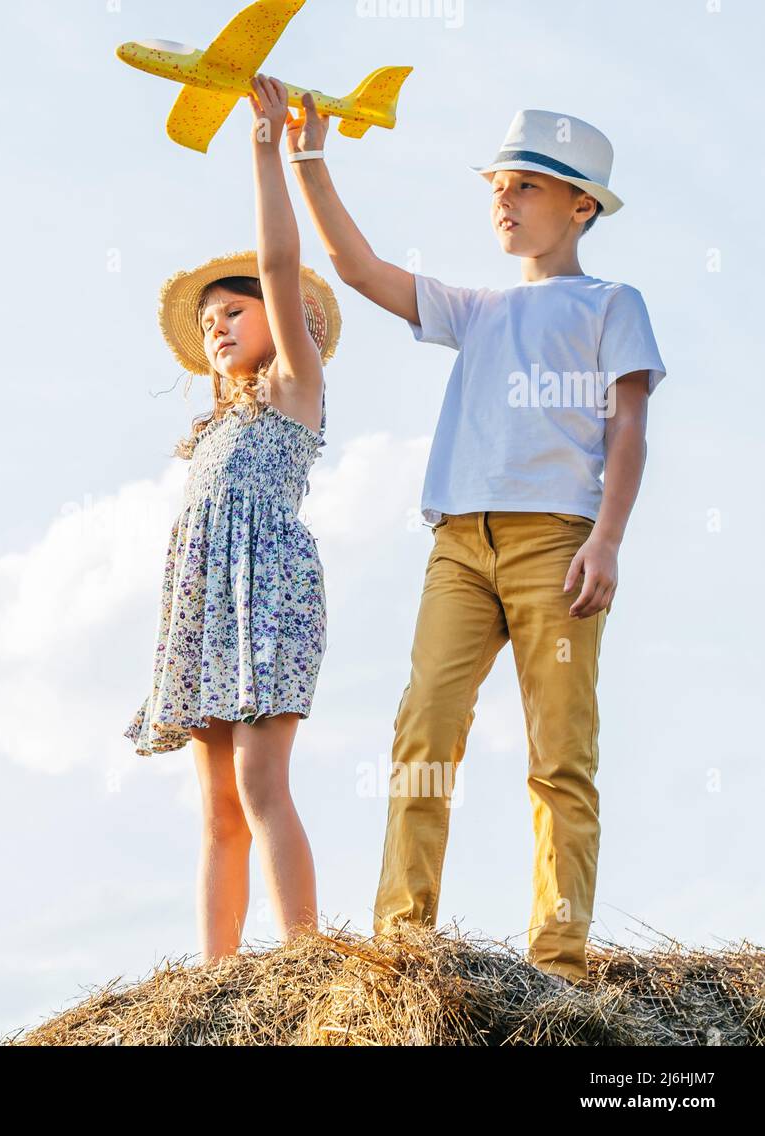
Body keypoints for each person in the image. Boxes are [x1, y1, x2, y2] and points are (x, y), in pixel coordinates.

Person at [286, 102, 667, 985]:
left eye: (525, 185)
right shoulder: (477, 307)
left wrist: (606, 542)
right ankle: (402, 944)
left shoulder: (614, 303)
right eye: (497, 186)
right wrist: (308, 157)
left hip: (558, 545)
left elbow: (630, 431)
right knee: (423, 731)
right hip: (458, 545)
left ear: (581, 207)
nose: (504, 200)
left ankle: (561, 966)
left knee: (561, 754)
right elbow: (358, 268)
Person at [123, 76, 341, 963]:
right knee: (214, 806)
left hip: (271, 599)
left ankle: (308, 965)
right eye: (209, 318)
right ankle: (214, 980)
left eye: (234, 310)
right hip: (208, 604)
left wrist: (267, 152)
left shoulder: (294, 389)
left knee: (259, 782)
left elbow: (280, 266)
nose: (219, 324)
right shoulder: (212, 428)